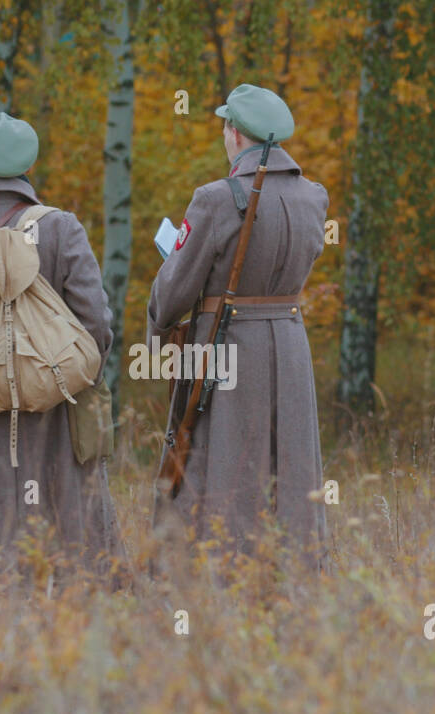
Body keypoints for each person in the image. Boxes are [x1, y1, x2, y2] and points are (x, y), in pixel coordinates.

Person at [0, 112, 120, 576]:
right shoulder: (62, 228)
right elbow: (96, 321)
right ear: (29, 166)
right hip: (53, 402)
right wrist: (73, 375)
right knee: (61, 522)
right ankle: (66, 588)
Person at [148, 84, 329, 555]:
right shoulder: (315, 197)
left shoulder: (214, 198)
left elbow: (171, 298)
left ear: (234, 133)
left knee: (219, 463)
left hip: (225, 350)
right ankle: (293, 568)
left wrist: (168, 280)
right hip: (290, 346)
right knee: (289, 465)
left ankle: (217, 572)